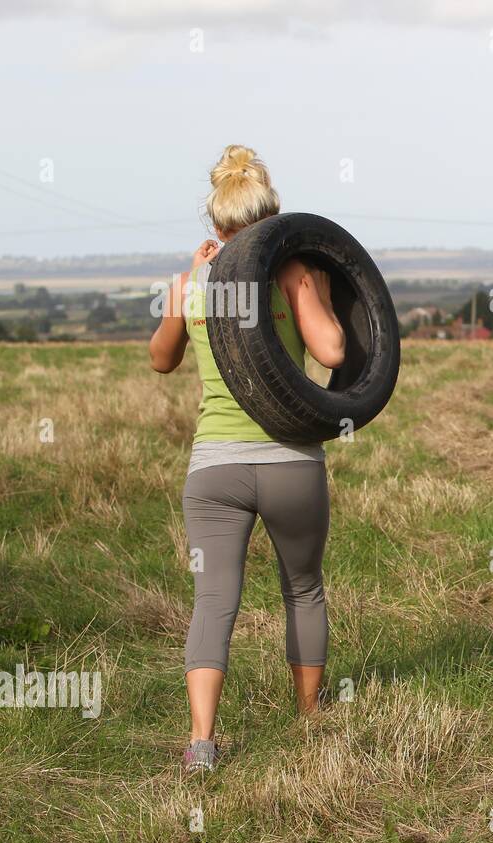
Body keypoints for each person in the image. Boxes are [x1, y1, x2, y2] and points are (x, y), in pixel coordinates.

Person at [149, 145, 346, 771]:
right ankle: (310, 722)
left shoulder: (189, 284)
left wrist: (188, 284)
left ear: (217, 228)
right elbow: (335, 352)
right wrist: (321, 293)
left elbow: (160, 359)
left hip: (214, 471)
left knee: (213, 602)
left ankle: (202, 742)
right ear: (273, 218)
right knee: (304, 588)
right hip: (291, 463)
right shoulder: (292, 274)